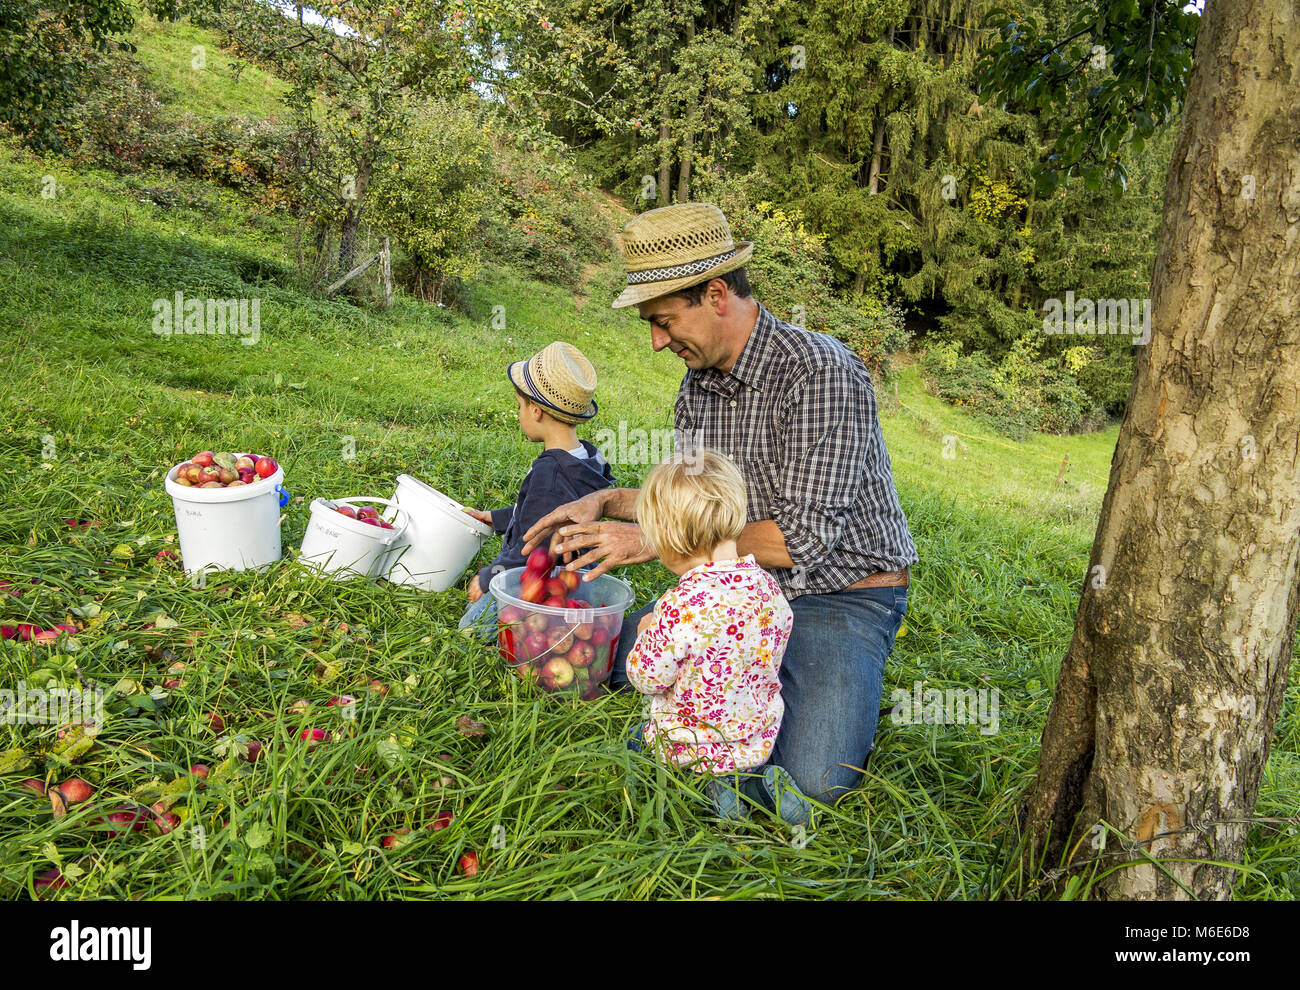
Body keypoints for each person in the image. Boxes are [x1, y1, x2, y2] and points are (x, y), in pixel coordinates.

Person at [521, 202, 918, 806]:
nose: (657, 342)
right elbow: (699, 506)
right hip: (731, 586)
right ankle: (749, 700)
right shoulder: (697, 389)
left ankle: (817, 693)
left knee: (816, 780)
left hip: (842, 593)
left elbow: (802, 540)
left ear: (715, 295)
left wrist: (655, 541)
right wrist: (610, 501)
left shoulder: (820, 373)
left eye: (663, 321)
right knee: (603, 655)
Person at [623, 448, 810, 825]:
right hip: (753, 741)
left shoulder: (681, 606)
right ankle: (756, 787)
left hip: (689, 743)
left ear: (671, 538)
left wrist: (645, 635)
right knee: (741, 764)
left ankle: (710, 792)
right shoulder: (767, 590)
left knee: (633, 746)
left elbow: (646, 678)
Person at [458, 341, 616, 637]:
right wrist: (496, 517)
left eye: (519, 407)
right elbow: (537, 510)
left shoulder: (551, 473)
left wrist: (489, 575)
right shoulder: (586, 459)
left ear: (536, 411)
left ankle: (526, 631)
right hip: (575, 580)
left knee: (470, 629)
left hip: (541, 578)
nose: (519, 415)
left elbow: (535, 545)